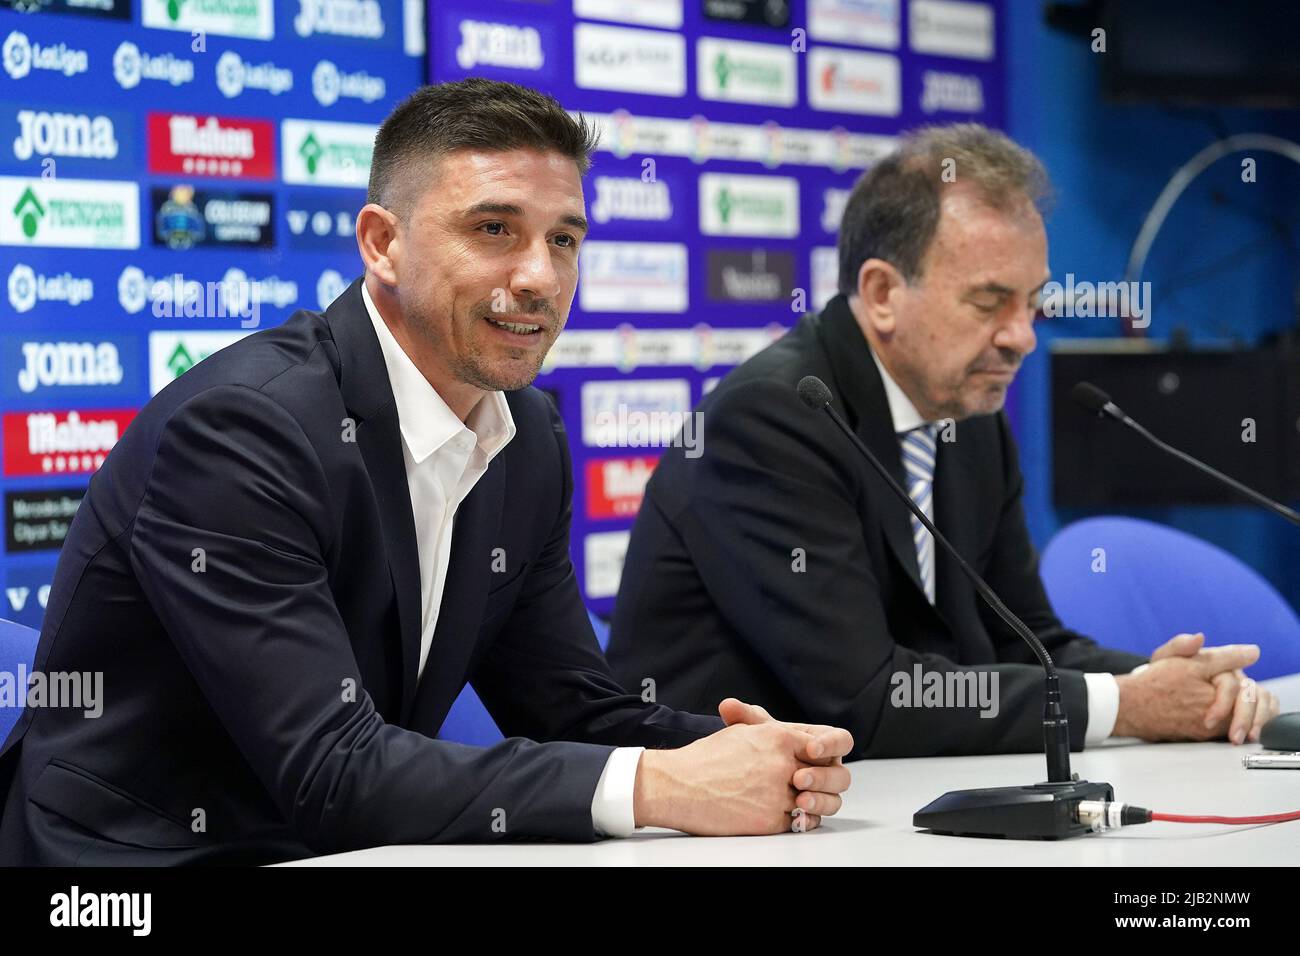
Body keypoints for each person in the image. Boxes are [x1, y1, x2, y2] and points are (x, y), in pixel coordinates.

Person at [0, 79, 852, 865]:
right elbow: (334, 771)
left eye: (564, 239)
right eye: (494, 230)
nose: (541, 278)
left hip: (352, 852)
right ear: (382, 243)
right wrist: (662, 787)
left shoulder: (528, 433)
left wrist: (749, 754)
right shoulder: (243, 431)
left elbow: (570, 708)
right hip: (138, 869)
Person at [607, 123, 1279, 758]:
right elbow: (866, 697)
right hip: (716, 830)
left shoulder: (968, 410)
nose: (1022, 337)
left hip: (882, 801)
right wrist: (1127, 705)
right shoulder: (773, 420)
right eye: (990, 303)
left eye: (1033, 303)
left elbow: (1030, 642)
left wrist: (1180, 689)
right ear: (881, 294)